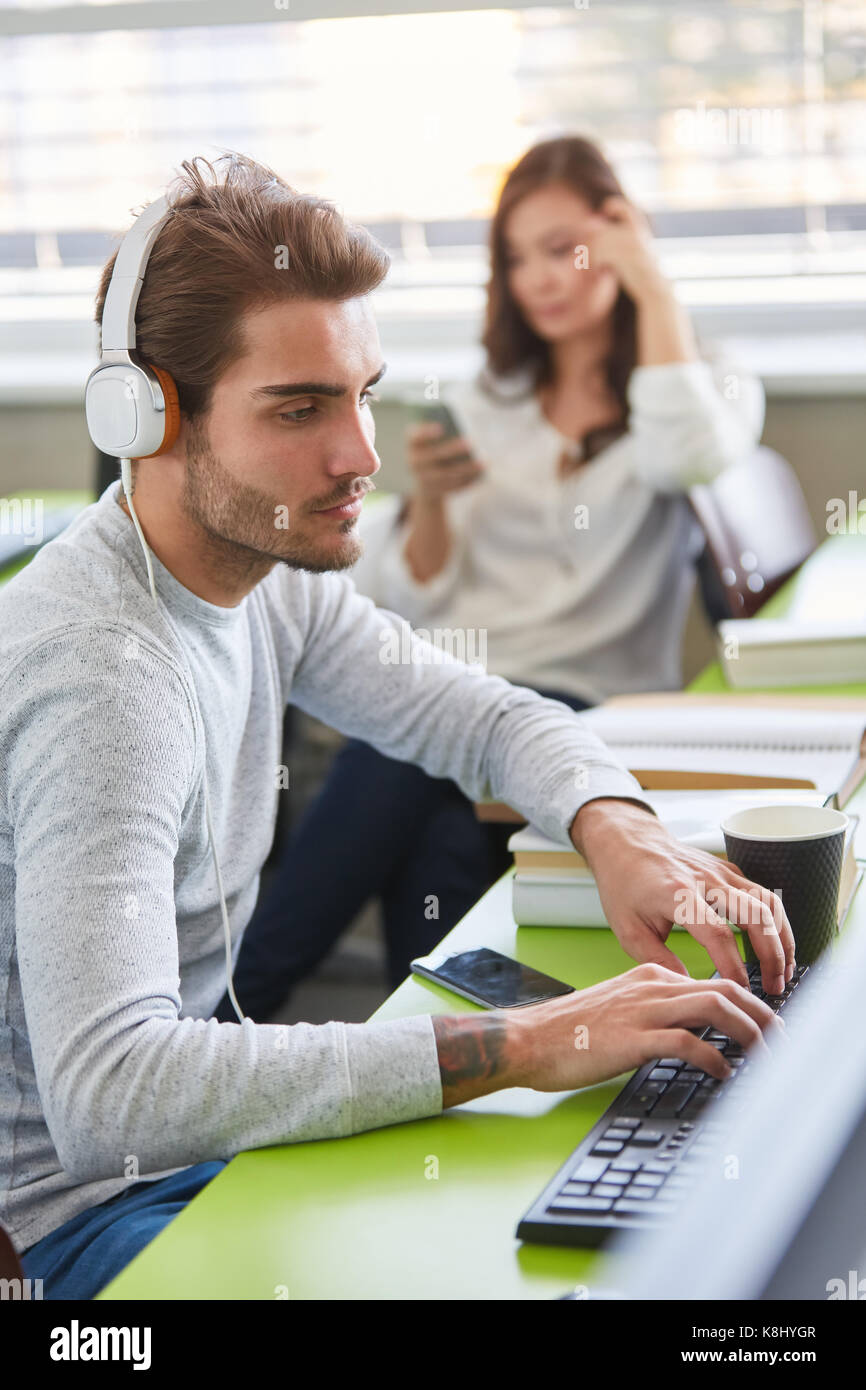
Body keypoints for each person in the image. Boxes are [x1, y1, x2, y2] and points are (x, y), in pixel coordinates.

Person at [1, 153, 790, 1301]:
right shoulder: (101, 677)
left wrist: (615, 825)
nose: (361, 456)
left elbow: (476, 711)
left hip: (198, 1152)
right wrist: (531, 1042)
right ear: (150, 412)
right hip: (86, 1225)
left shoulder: (266, 572)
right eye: (300, 408)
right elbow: (114, 1093)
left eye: (362, 392)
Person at [225, 136, 764, 1019]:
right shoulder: (486, 403)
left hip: (598, 706)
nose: (542, 280)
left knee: (396, 763)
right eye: (519, 260)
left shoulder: (702, 384)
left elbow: (684, 456)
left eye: (567, 250)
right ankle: (446, 1049)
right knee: (434, 822)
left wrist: (651, 285)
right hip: (474, 688)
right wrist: (430, 503)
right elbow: (415, 595)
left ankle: (241, 1002)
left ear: (623, 242)